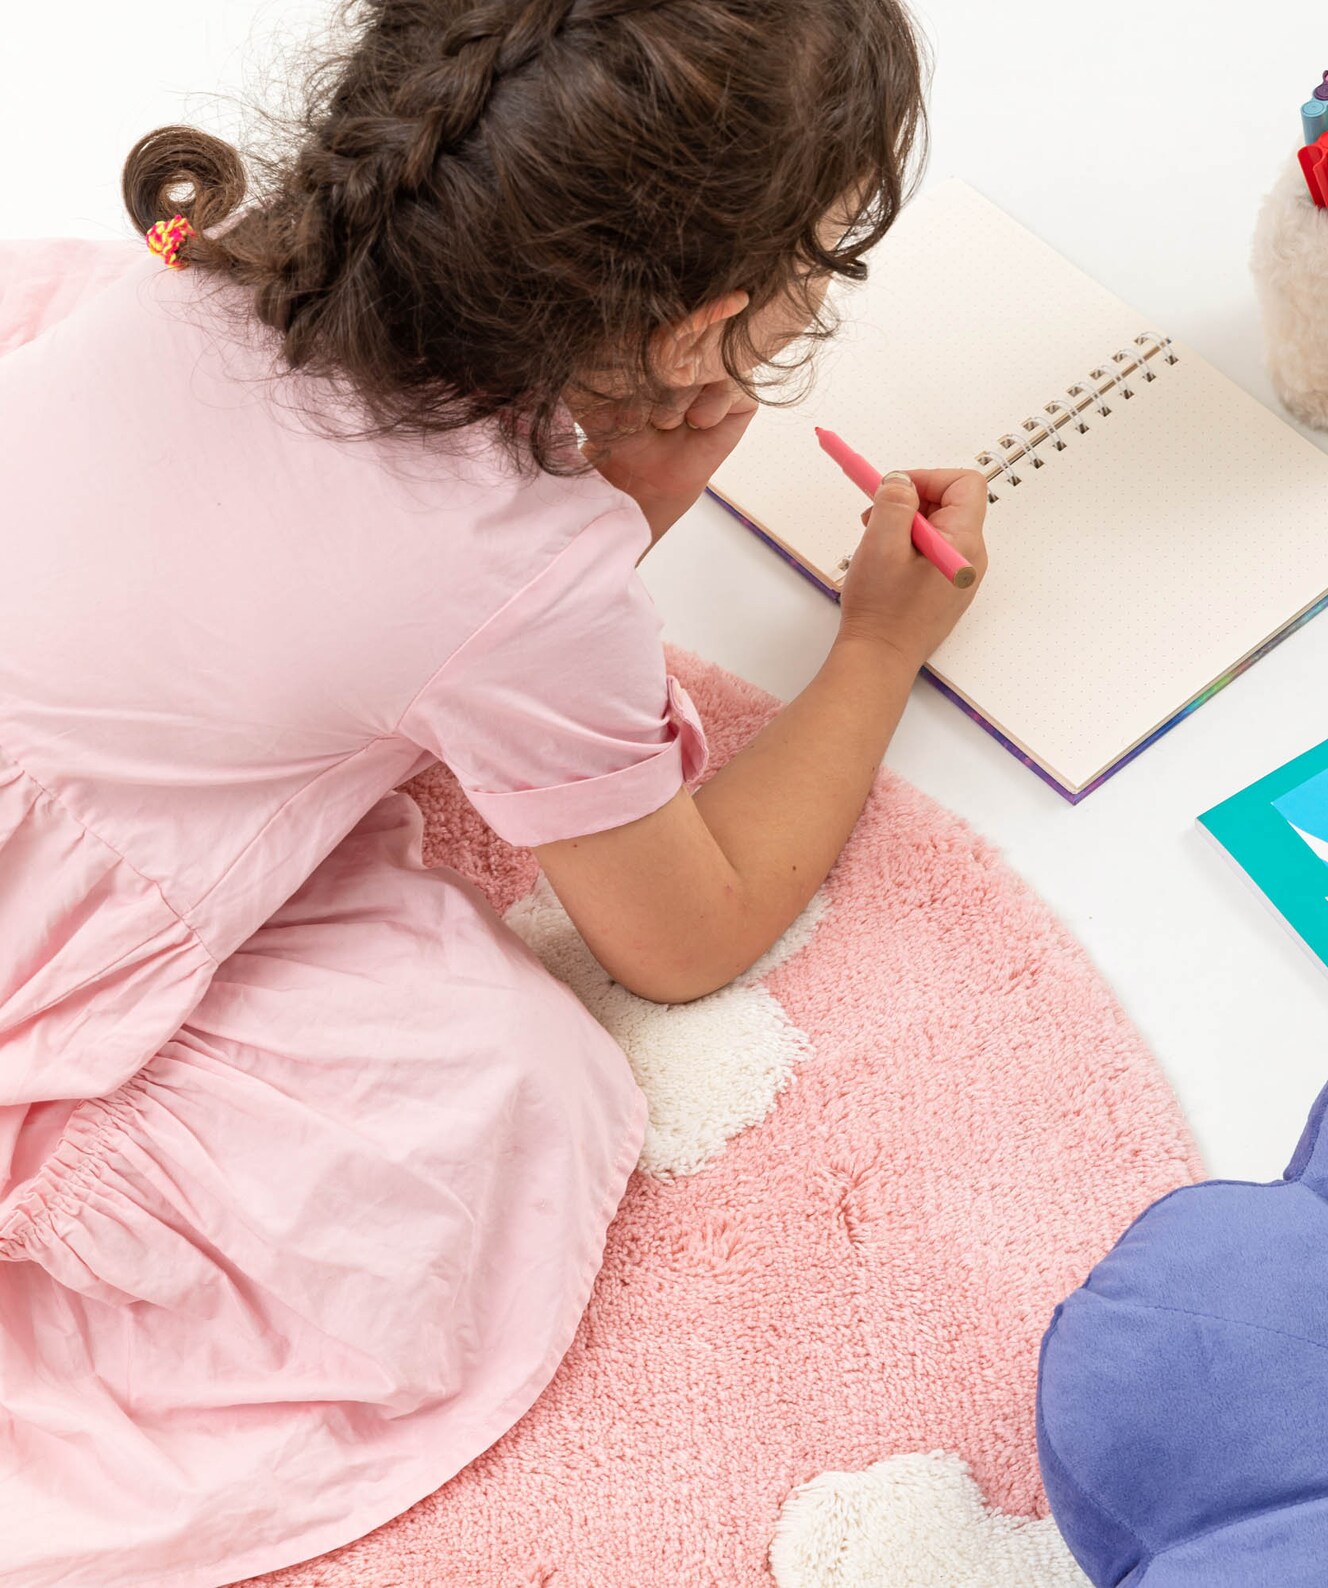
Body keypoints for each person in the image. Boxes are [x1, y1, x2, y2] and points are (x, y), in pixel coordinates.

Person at [0, 1, 988, 1580]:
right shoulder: (509, 560)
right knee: (501, 1094)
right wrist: (875, 647)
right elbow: (683, 935)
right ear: (698, 335)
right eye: (824, 260)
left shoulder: (209, 265)